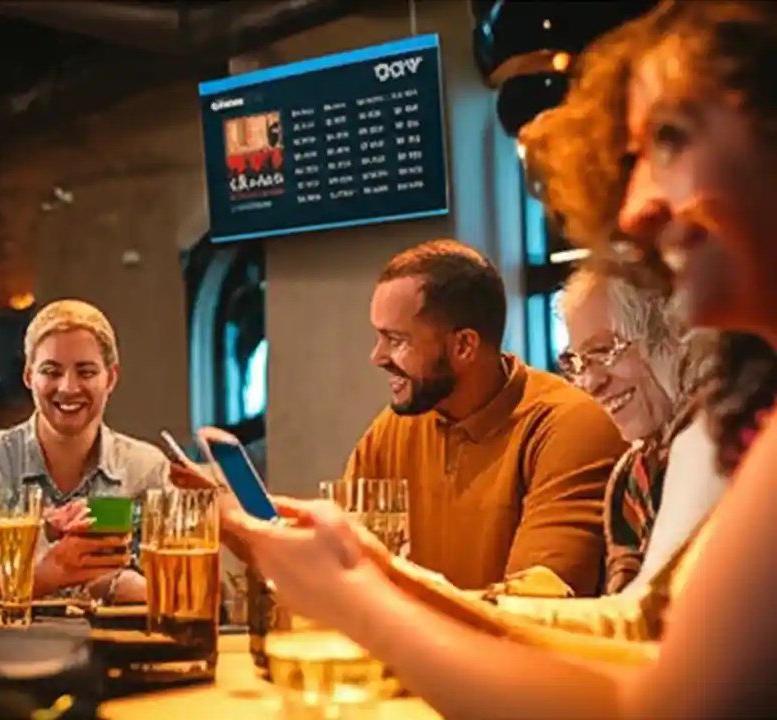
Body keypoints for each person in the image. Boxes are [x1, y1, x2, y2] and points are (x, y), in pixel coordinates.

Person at [231, 3, 777, 716]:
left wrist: (357, 599)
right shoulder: (753, 423)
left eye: (670, 142)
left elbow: (652, 703)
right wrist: (375, 575)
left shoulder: (571, 425)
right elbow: (643, 650)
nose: (636, 209)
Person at [344, 239, 626, 593]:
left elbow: (534, 608)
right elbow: (343, 569)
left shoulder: (569, 427)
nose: (377, 356)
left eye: (396, 340)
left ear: (464, 346)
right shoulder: (392, 429)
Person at [0, 299, 177, 603]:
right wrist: (50, 571)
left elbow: (171, 590)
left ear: (112, 378)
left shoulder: (147, 469)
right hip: (6, 648)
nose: (68, 387)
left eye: (86, 372)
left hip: (117, 647)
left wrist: (117, 584)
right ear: (29, 377)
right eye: (51, 371)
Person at [557, 262, 724, 594]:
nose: (590, 383)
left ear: (670, 334)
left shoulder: (723, 440)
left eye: (604, 351)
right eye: (577, 362)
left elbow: (646, 615)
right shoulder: (631, 478)